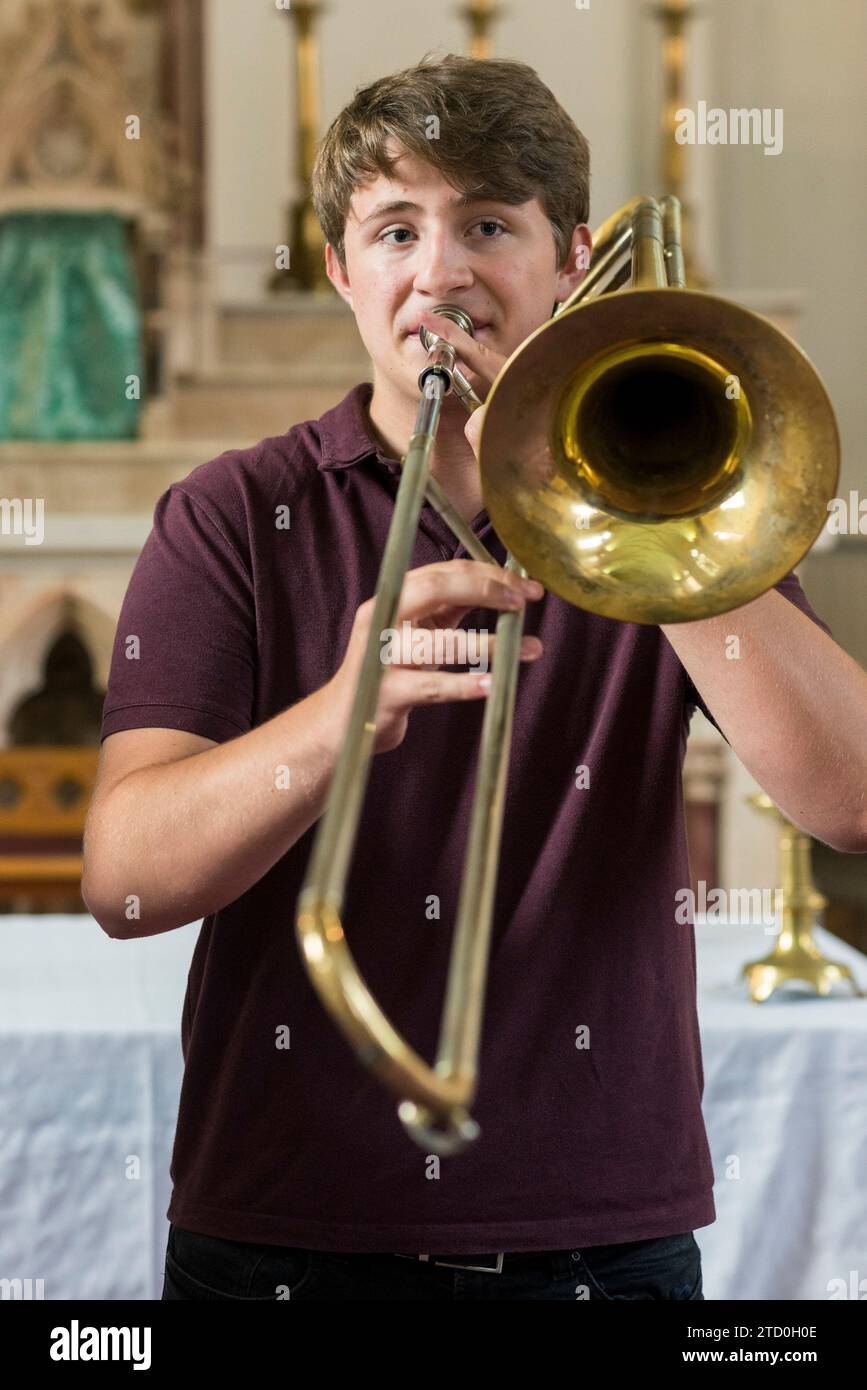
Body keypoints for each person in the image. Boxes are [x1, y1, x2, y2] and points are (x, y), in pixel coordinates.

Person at [83, 53, 864, 1302]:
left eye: (488, 225)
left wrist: (642, 512)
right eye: (394, 230)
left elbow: (851, 799)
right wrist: (334, 722)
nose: (438, 272)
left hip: (606, 1245)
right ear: (341, 271)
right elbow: (125, 883)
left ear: (574, 260)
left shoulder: (685, 482)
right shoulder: (233, 513)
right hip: (282, 1236)